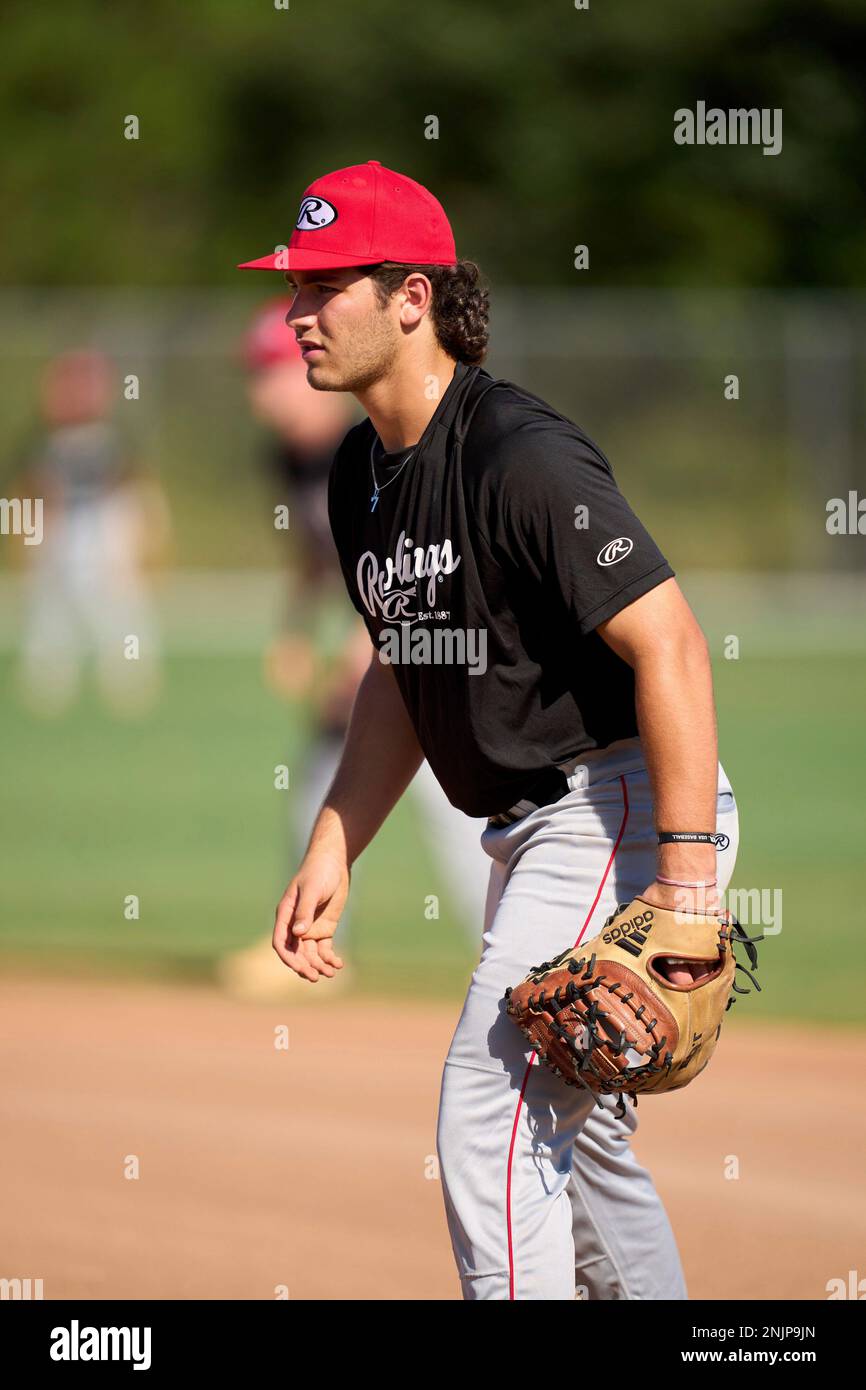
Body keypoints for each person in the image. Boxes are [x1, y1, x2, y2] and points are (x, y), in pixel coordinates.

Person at [238, 160, 740, 1300]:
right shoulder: (360, 474)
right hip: (531, 833)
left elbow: (671, 645)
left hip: (611, 804)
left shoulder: (517, 451)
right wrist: (334, 837)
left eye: (324, 284)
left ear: (410, 297)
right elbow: (399, 672)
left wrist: (688, 888)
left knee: (491, 1117)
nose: (296, 312)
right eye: (294, 286)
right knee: (588, 1148)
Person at [219, 298, 491, 1000]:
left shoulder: (367, 445)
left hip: (430, 641)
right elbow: (319, 556)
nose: (262, 391)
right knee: (320, 782)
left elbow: (416, 559)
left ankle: (509, 954)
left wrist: (364, 654)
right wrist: (295, 627)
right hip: (381, 639)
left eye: (272, 372)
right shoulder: (290, 459)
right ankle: (308, 944)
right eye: (258, 373)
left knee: (455, 803)